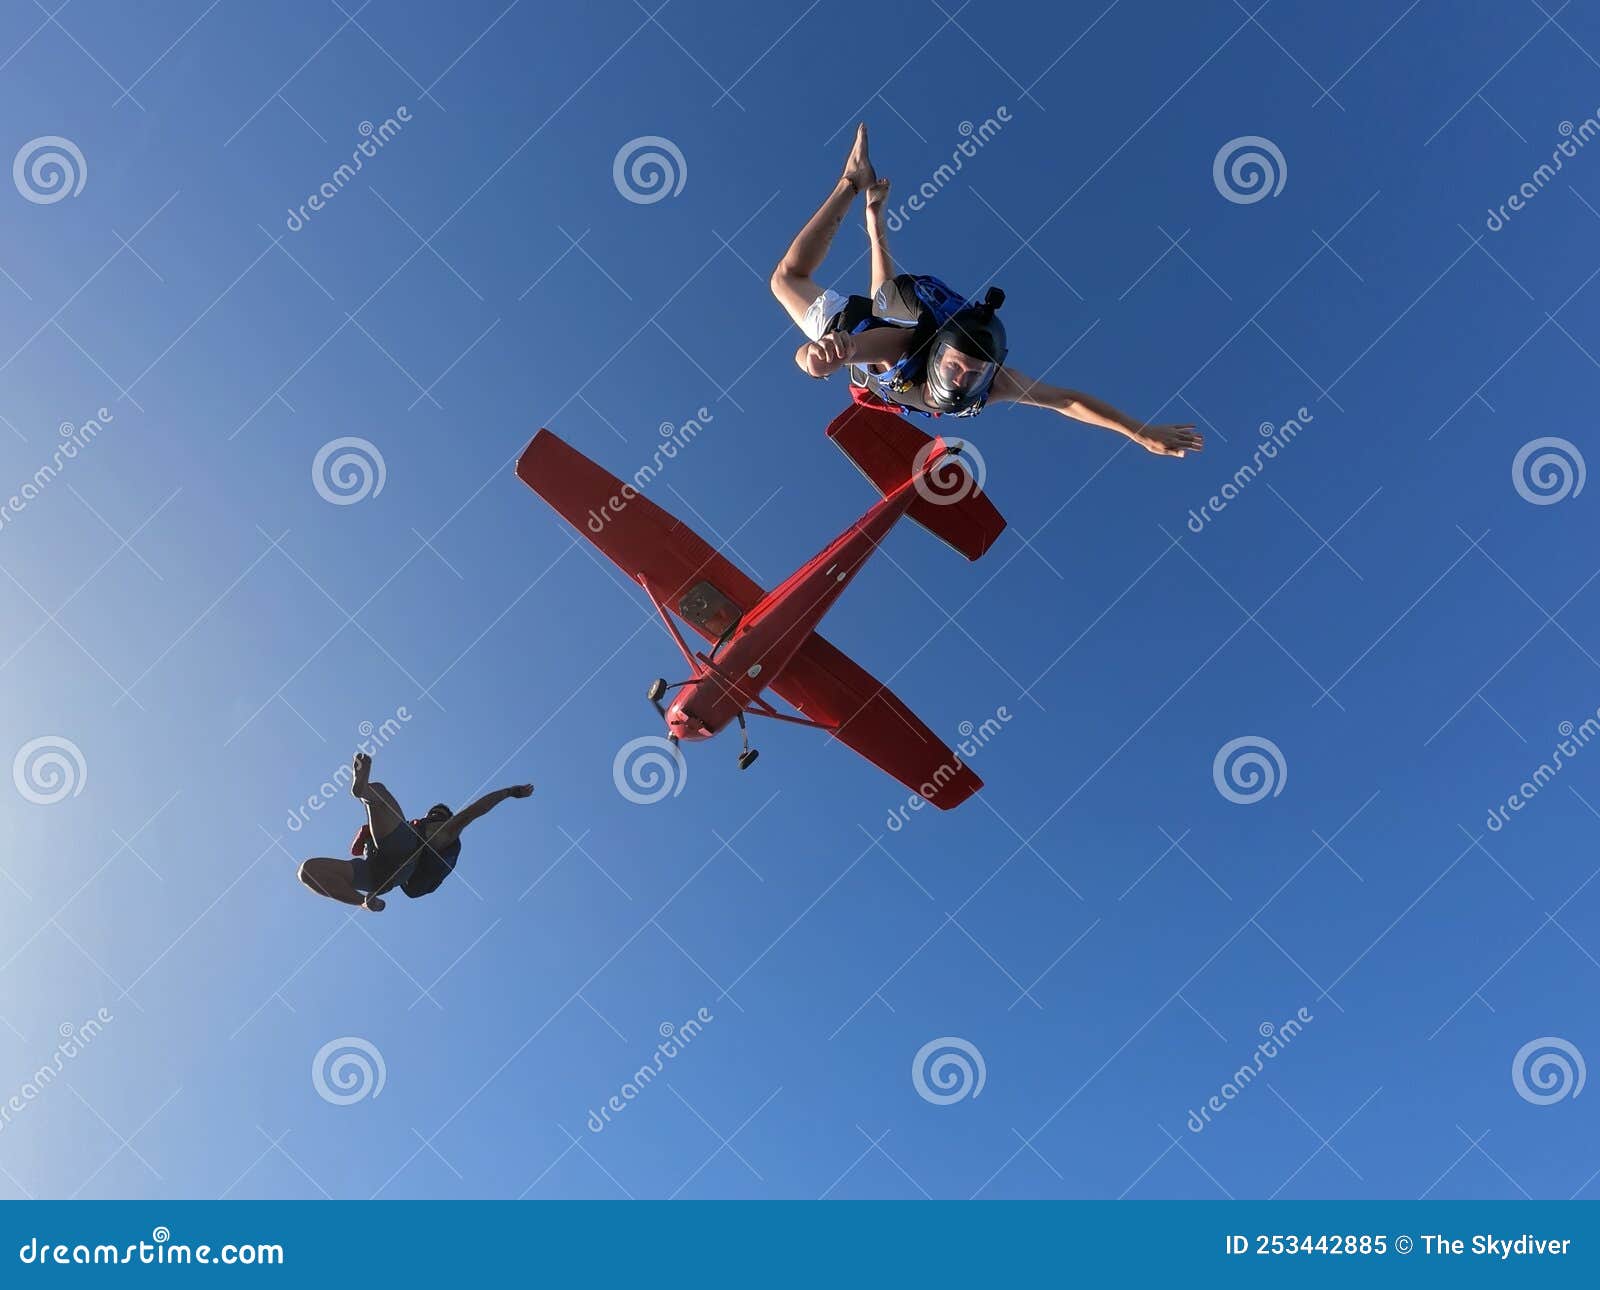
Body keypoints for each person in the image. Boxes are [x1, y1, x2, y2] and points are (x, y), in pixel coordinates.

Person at [768, 123, 1204, 457]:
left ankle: (872, 217)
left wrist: (1138, 431)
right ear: (941, 352)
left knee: (878, 304)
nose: (961, 379)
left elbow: (1066, 400)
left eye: (973, 374)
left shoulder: (995, 384)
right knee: (787, 280)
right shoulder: (897, 344)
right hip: (866, 335)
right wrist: (818, 358)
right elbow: (839, 349)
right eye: (960, 367)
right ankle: (849, 181)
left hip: (890, 331)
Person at [296, 753, 533, 911]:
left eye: (438, 814)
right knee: (308, 872)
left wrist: (510, 791)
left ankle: (365, 793)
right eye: (434, 814)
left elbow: (476, 809)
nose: (434, 817)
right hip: (378, 873)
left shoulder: (447, 831)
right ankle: (365, 903)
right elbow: (475, 811)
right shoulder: (434, 827)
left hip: (402, 854)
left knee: (377, 792)